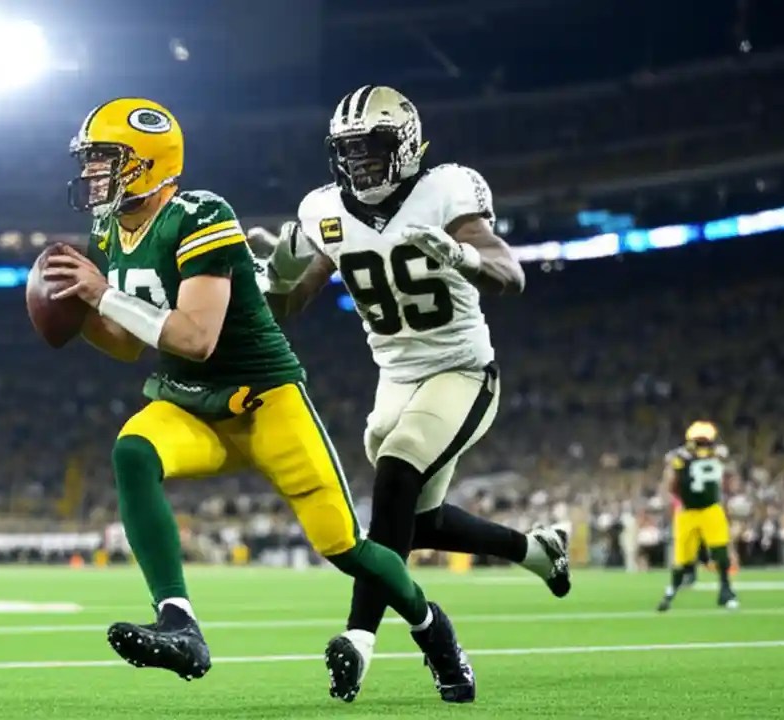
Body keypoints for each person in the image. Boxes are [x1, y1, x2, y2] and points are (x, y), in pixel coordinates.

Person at [43, 97, 473, 701]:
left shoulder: (200, 214)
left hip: (264, 400)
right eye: (88, 161)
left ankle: (434, 629)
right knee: (133, 452)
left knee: (345, 548)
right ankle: (179, 623)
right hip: (191, 401)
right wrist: (80, 310)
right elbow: (124, 347)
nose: (92, 174)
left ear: (147, 161)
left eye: (104, 159)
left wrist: (101, 295)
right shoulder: (109, 229)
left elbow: (196, 337)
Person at [250, 85, 569, 703]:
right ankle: (538, 551)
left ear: (405, 144)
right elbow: (289, 304)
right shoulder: (322, 209)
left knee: (395, 474)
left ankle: (363, 640)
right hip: (393, 380)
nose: (360, 162)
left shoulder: (446, 189)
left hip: (462, 371)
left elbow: (512, 272)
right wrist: (273, 276)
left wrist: (464, 257)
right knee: (415, 523)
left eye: (372, 148)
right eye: (349, 151)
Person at [657, 421, 739, 611]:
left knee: (703, 553)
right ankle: (725, 591)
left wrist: (673, 496)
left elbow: (671, 482)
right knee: (713, 552)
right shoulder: (718, 454)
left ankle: (674, 591)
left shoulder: (680, 457)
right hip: (707, 509)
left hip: (694, 510)